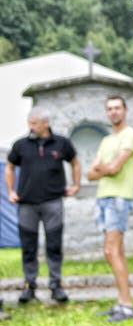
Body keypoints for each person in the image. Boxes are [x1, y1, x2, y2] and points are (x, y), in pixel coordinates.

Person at [4, 107, 80, 304]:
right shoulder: (20, 145)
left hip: (53, 202)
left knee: (54, 245)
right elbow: (10, 167)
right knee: (28, 247)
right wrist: (11, 191)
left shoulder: (62, 143)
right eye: (29, 123)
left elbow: (75, 162)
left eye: (34, 123)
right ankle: (29, 286)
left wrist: (76, 185)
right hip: (27, 204)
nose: (31, 127)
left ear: (46, 123)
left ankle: (56, 286)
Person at [87, 95, 133, 323]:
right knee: (113, 252)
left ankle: (127, 306)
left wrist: (103, 168)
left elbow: (114, 168)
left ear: (125, 111)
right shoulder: (107, 140)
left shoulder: (131, 136)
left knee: (111, 252)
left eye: (117, 108)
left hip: (118, 199)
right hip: (103, 198)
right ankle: (122, 302)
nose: (114, 112)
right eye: (109, 109)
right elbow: (91, 174)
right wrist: (103, 168)